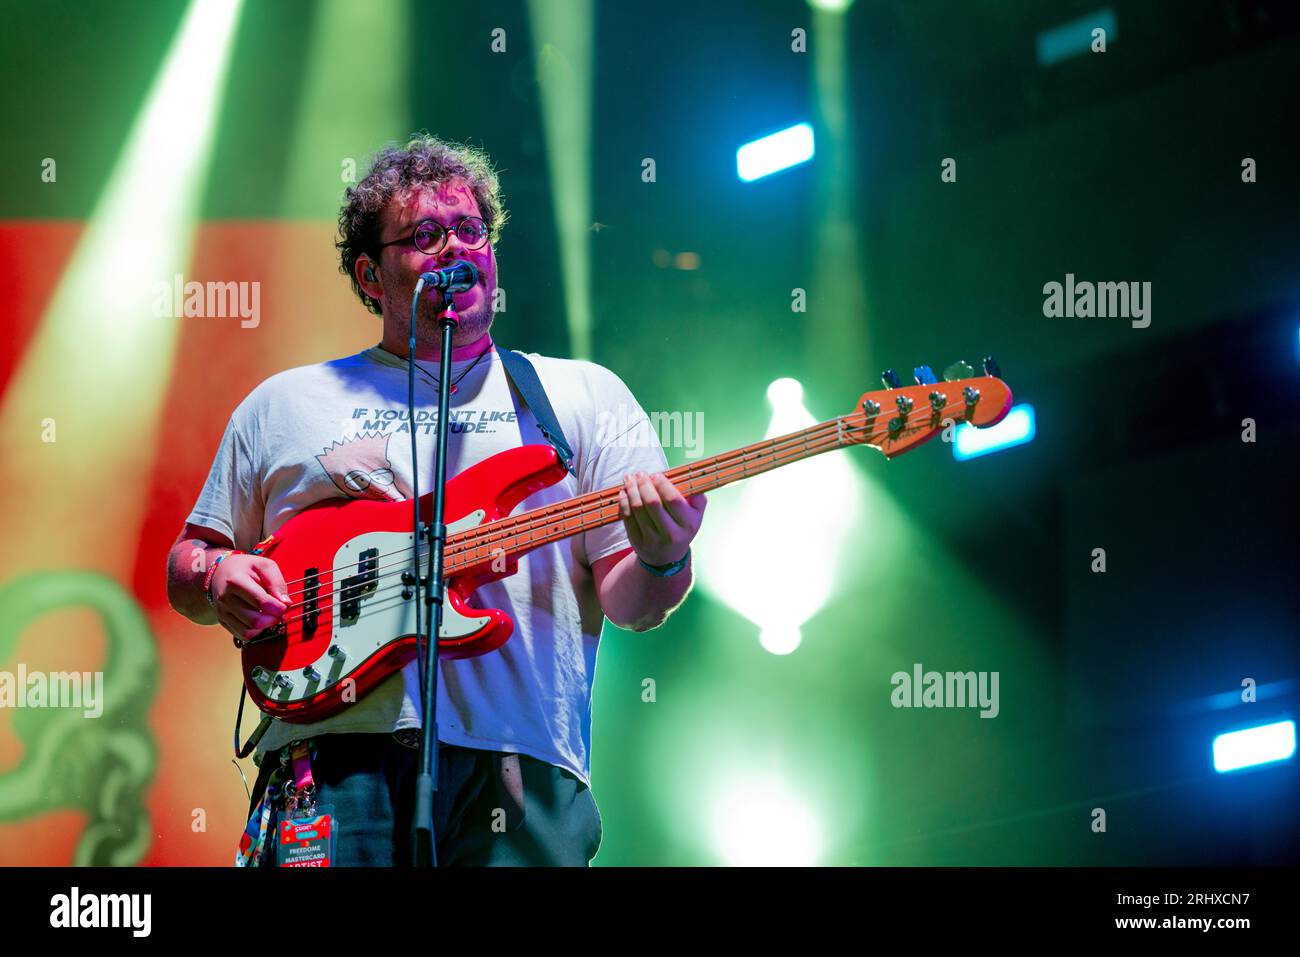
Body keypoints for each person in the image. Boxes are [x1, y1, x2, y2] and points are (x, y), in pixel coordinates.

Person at [165, 134, 706, 866]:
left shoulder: (581, 396)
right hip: (330, 763)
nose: (455, 247)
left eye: (470, 229)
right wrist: (212, 575)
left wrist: (665, 554)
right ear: (371, 273)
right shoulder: (283, 405)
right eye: (424, 235)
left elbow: (632, 602)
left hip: (518, 764)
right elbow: (189, 560)